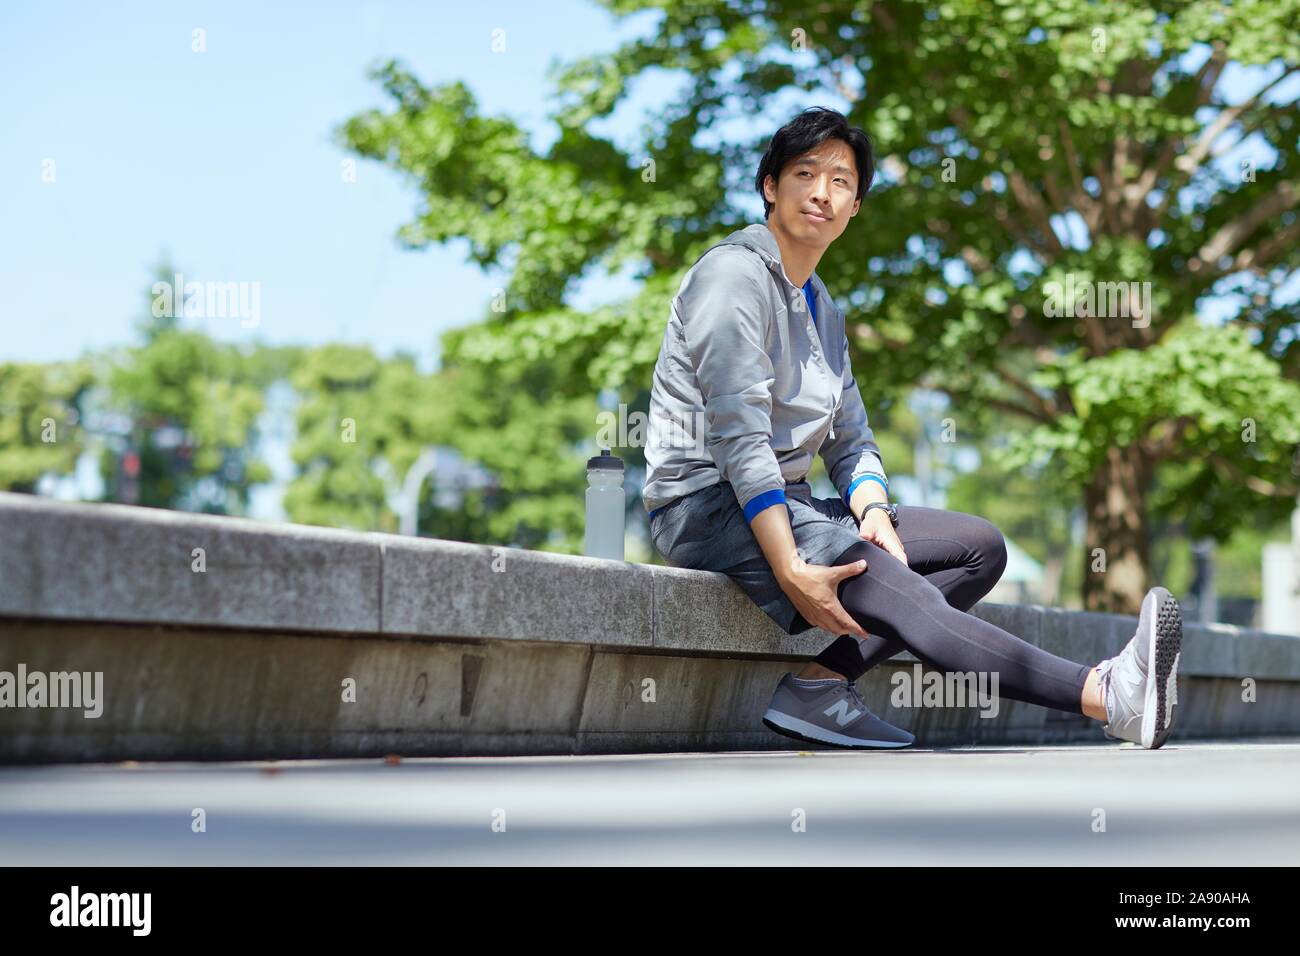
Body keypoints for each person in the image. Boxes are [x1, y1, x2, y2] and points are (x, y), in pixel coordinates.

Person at [642, 107, 1182, 750]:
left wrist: (872, 509)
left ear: (856, 205)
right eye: (804, 173)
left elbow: (852, 439)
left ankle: (818, 689)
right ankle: (1106, 695)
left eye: (840, 181)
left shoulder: (822, 307)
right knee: (885, 578)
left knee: (976, 546)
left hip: (781, 499)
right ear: (769, 186)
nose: (821, 192)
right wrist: (789, 564)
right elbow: (740, 434)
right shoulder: (733, 274)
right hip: (705, 505)